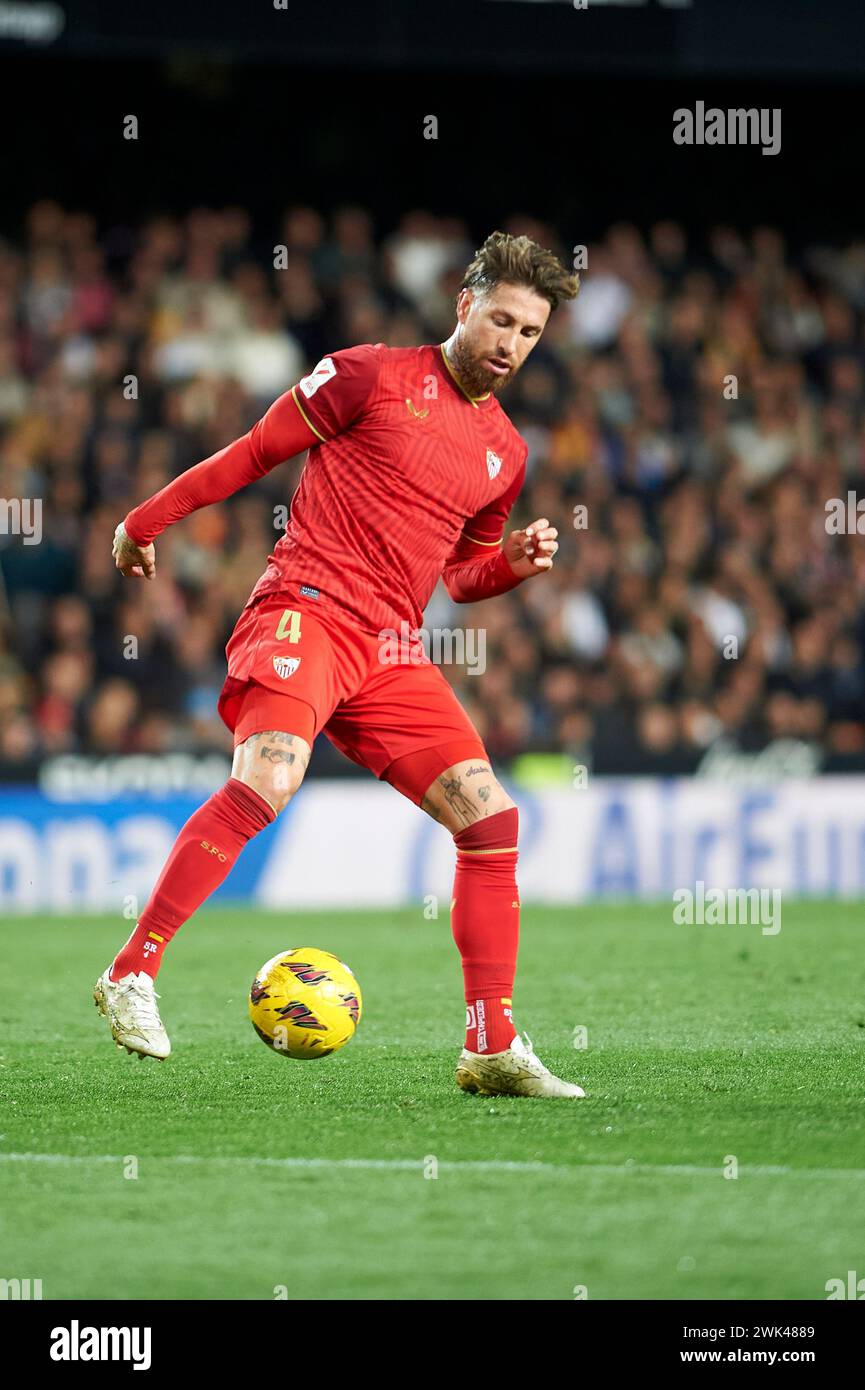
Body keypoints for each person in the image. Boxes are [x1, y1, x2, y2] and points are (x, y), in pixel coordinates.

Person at [94, 230, 585, 1098]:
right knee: (269, 781)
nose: (511, 345)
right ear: (463, 304)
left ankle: (490, 1042)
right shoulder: (368, 374)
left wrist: (510, 562)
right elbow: (251, 453)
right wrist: (143, 522)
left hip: (389, 647)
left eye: (530, 333)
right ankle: (132, 970)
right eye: (501, 320)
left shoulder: (504, 452)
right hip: (307, 611)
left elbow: (461, 579)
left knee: (490, 821)